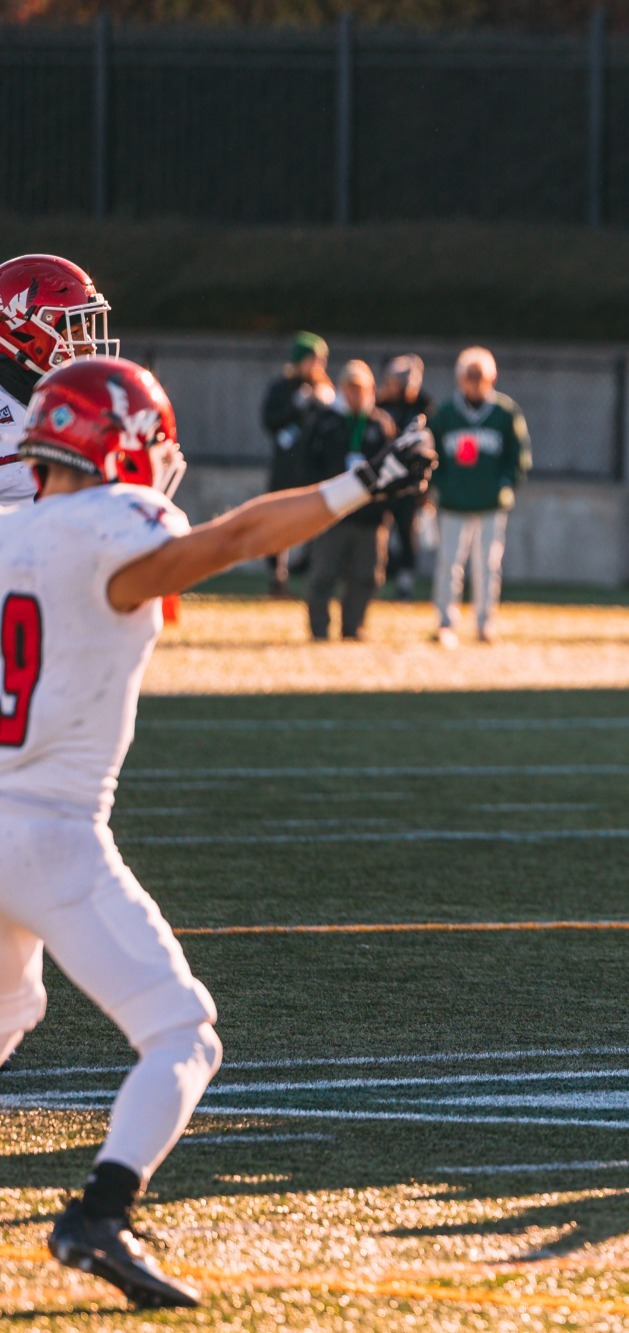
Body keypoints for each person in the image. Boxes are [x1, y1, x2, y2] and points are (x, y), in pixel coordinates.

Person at [1, 355, 432, 1308]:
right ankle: (99, 1213)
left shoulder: (8, 531)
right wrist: (364, 482)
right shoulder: (115, 526)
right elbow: (236, 535)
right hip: (56, 834)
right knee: (182, 1034)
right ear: (116, 440)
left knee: (10, 1011)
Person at [429, 346, 529, 648]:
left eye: (480, 376)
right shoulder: (446, 414)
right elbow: (430, 454)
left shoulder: (504, 412)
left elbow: (519, 457)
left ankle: (485, 623)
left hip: (489, 503)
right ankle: (446, 622)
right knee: (449, 563)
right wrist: (440, 485)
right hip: (453, 502)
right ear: (460, 378)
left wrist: (505, 485)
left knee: (488, 565)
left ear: (491, 378)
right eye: (469, 376)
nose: (474, 382)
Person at [0, 254, 117, 508]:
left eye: (88, 330)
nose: (88, 346)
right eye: (75, 333)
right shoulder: (10, 427)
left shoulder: (57, 408)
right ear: (24, 334)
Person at [298, 361, 399, 642]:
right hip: (331, 513)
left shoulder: (380, 423)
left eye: (361, 389)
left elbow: (391, 469)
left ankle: (353, 628)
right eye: (351, 389)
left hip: (369, 515)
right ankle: (319, 629)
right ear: (342, 389)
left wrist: (384, 506)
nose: (356, 395)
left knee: (366, 575)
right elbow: (307, 463)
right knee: (323, 574)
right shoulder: (326, 421)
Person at [259, 331, 332, 596]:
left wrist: (325, 405)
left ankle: (309, 569)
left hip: (312, 467)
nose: (318, 366)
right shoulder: (282, 388)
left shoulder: (324, 390)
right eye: (314, 360)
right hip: (285, 468)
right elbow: (269, 420)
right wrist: (294, 407)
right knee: (278, 520)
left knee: (313, 519)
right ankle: (277, 574)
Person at [377, 354, 433, 600]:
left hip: (409, 481)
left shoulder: (423, 407)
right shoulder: (381, 404)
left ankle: (405, 582)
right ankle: (375, 576)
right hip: (383, 477)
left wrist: (425, 487)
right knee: (379, 530)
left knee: (406, 530)